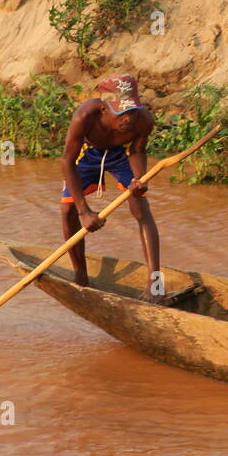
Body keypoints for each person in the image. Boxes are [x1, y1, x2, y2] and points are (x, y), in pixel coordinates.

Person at [59, 74, 161, 301]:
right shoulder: (84, 116)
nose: (129, 119)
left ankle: (154, 283)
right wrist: (84, 211)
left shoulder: (144, 120)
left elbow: (137, 151)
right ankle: (81, 276)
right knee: (68, 210)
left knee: (140, 205)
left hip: (119, 155)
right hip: (88, 154)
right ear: (105, 108)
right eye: (122, 112)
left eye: (132, 110)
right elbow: (67, 161)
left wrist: (139, 179)